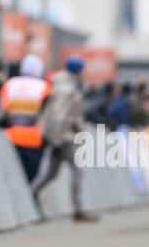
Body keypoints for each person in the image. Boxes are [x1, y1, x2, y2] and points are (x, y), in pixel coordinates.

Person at [29, 57, 98, 222]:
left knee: (51, 174)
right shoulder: (66, 89)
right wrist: (57, 139)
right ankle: (78, 209)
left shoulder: (62, 85)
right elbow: (58, 116)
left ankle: (32, 195)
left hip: (61, 136)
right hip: (64, 137)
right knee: (77, 172)